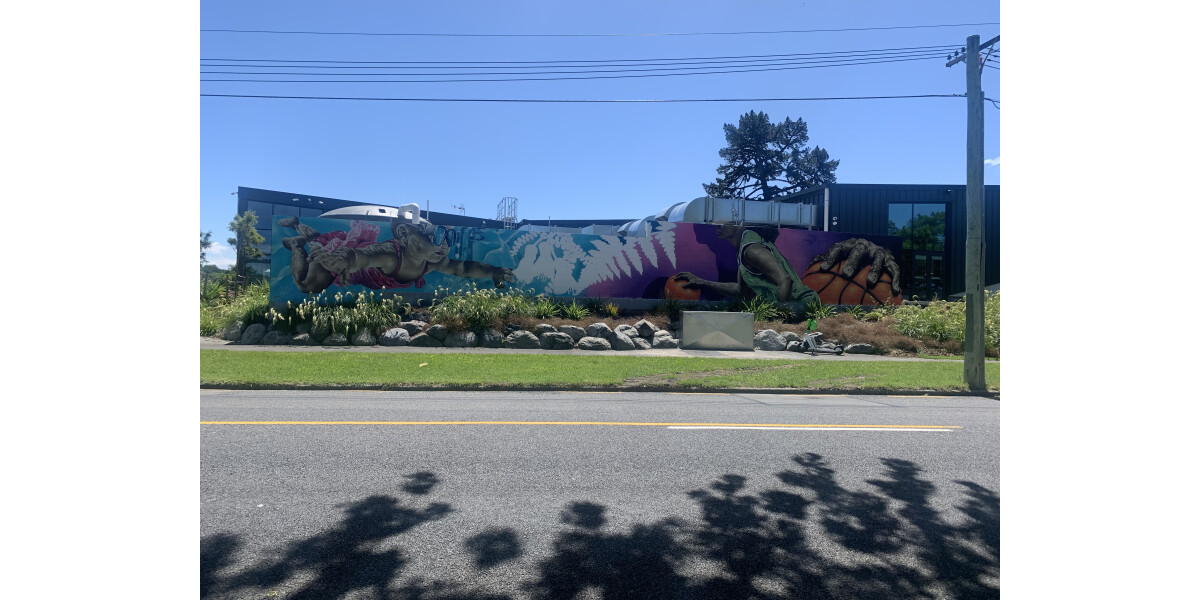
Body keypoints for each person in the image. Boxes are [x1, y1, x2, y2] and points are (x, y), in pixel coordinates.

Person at [279, 216, 514, 294]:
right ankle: (297, 244)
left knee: (318, 240)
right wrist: (344, 259)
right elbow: (365, 256)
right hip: (340, 261)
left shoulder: (432, 262)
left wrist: (493, 271)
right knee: (306, 285)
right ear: (404, 235)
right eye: (434, 236)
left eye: (447, 239)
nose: (442, 245)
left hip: (346, 256)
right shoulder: (391, 254)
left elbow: (462, 269)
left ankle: (301, 231)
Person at [672, 224, 820, 306]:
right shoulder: (743, 248)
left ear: (738, 223)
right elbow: (741, 291)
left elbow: (785, 280)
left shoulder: (752, 250)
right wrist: (702, 282)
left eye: (722, 222)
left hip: (801, 306)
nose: (717, 226)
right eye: (715, 223)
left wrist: (781, 313)